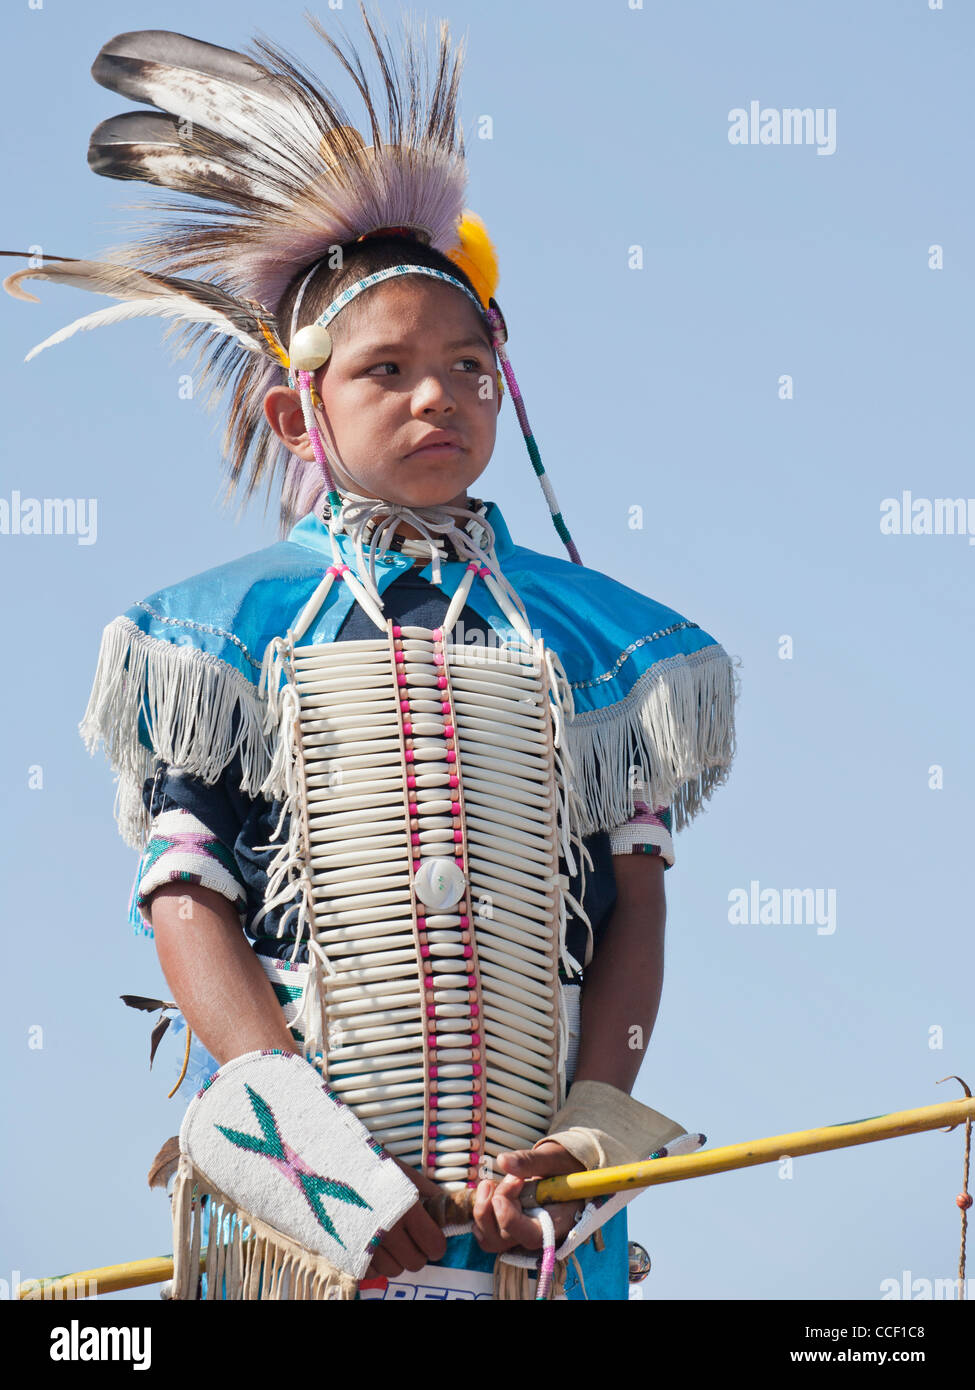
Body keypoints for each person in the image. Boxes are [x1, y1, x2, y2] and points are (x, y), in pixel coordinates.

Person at [4, 12, 737, 1300]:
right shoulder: (226, 637)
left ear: (504, 382)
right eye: (385, 370)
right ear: (300, 409)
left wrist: (590, 1132)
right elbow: (187, 896)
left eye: (466, 365)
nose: (434, 397)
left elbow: (637, 906)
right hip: (305, 1230)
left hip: (536, 1229)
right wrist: (316, 1164)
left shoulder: (605, 646)